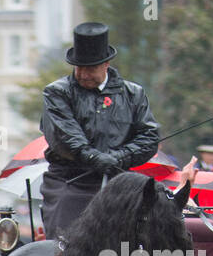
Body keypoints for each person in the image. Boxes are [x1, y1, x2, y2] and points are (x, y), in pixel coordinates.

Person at [39, 22, 160, 239]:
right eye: (79, 68)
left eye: (90, 69)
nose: (83, 75)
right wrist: (94, 157)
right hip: (70, 180)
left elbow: (149, 137)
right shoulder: (57, 93)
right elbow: (65, 136)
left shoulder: (133, 94)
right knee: (63, 237)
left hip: (118, 178)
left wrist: (120, 157)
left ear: (106, 64)